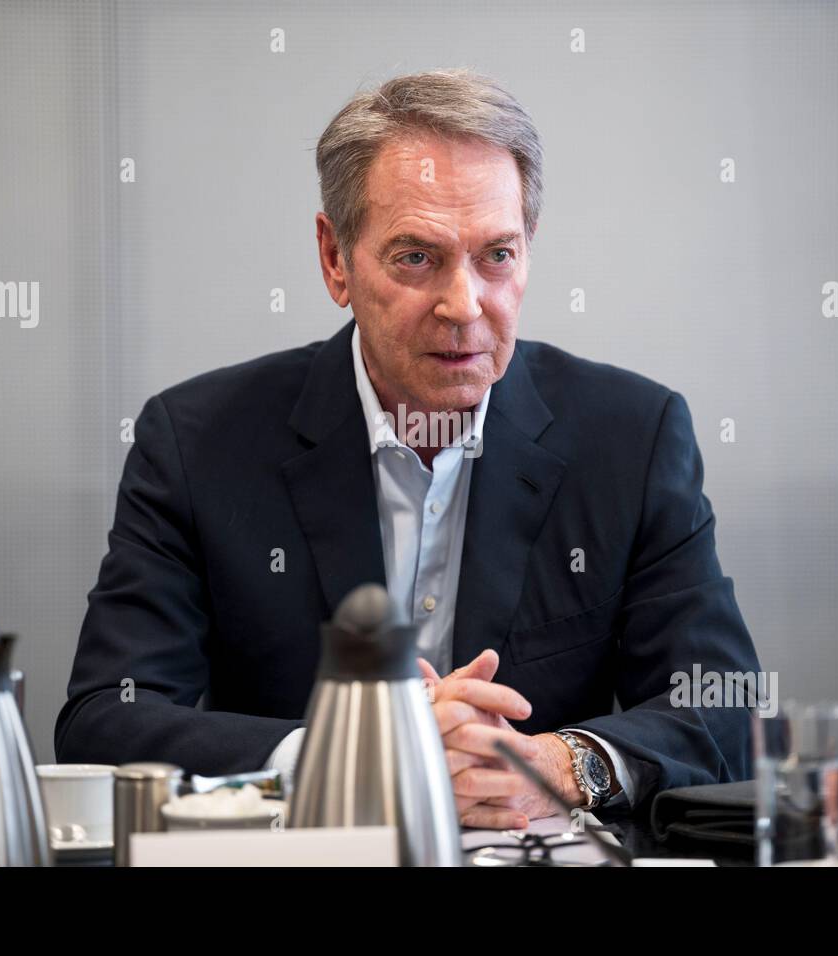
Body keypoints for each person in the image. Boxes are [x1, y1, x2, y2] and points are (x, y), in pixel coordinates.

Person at [55, 68, 761, 829]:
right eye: (417, 257)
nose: (464, 306)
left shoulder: (633, 437)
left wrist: (561, 766)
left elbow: (724, 707)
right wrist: (351, 755)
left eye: (497, 256)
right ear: (335, 259)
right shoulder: (198, 443)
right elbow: (106, 718)